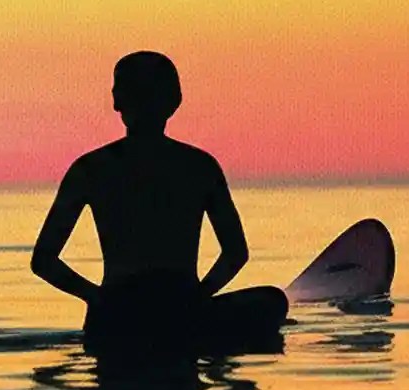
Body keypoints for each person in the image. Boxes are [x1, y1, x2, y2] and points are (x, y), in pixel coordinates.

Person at [31, 51, 288, 355]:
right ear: (175, 101)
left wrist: (97, 299)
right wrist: (199, 298)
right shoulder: (200, 166)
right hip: (181, 312)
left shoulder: (90, 169)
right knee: (272, 300)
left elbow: (43, 260)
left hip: (116, 316)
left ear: (116, 100)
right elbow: (235, 254)